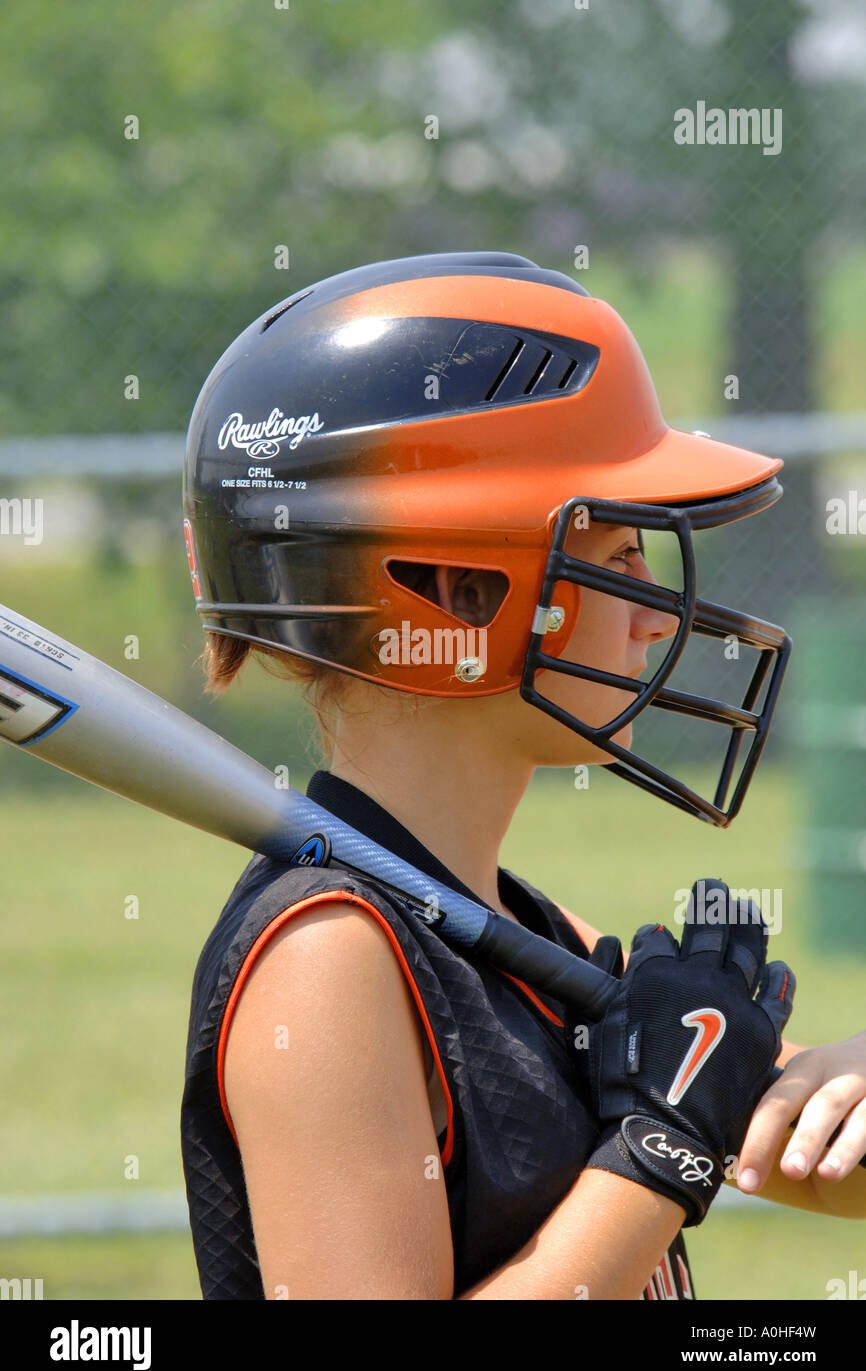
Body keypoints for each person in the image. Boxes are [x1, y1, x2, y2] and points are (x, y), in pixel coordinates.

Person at [180, 252, 866, 1300]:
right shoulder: (328, 960)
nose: (652, 614)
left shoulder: (521, 937)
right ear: (455, 589)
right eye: (619, 556)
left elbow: (817, 1149)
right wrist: (657, 1148)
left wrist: (820, 1088)